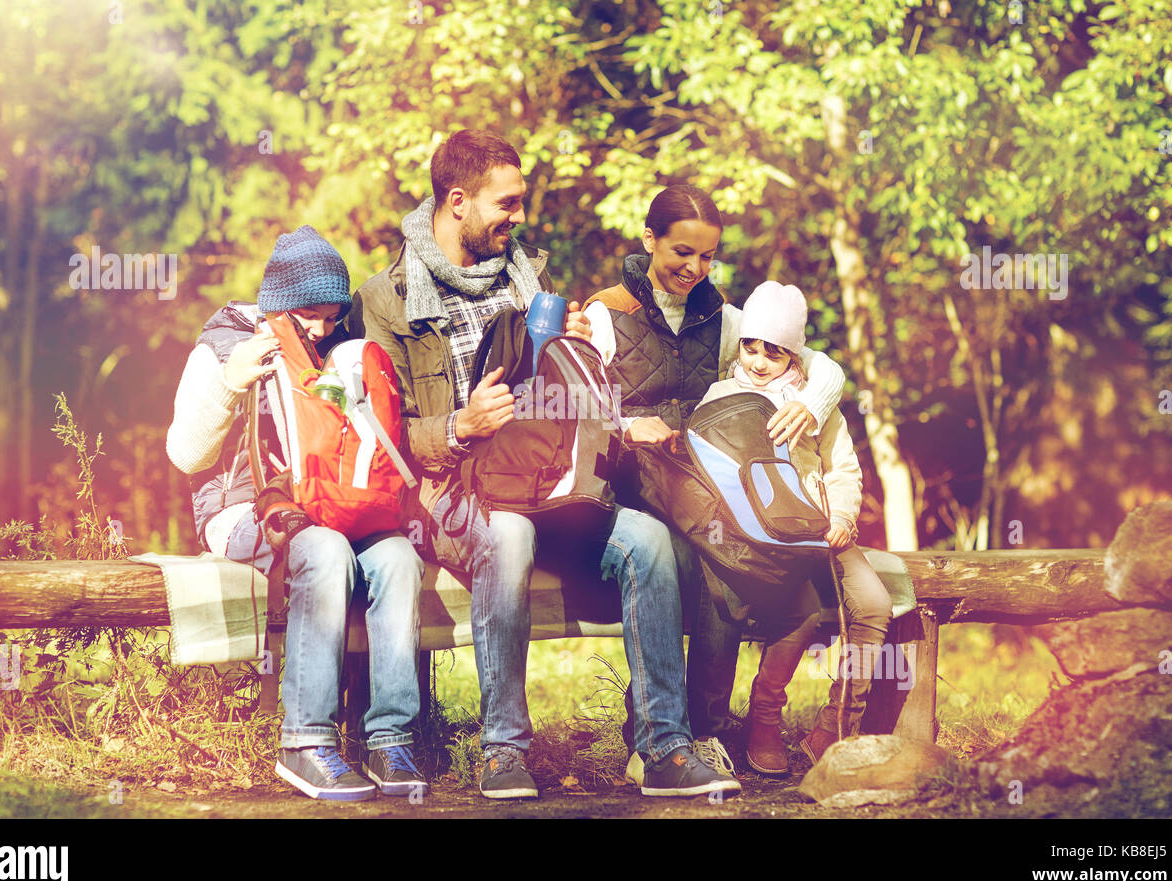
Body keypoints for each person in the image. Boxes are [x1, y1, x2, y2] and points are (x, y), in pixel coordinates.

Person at [357, 129, 739, 799]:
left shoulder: (527, 278)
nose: (522, 217)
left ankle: (664, 747)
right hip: (454, 492)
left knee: (647, 541)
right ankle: (503, 748)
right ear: (457, 201)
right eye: (508, 203)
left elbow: (565, 395)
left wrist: (579, 350)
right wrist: (459, 424)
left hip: (546, 478)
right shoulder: (388, 300)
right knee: (508, 534)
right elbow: (381, 434)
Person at [583, 186, 846, 775]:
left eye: (707, 257)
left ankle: (701, 729)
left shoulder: (722, 318)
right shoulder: (604, 312)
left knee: (726, 574)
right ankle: (656, 734)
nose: (694, 269)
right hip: (632, 492)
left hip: (705, 490)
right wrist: (628, 424)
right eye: (682, 252)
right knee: (691, 564)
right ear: (648, 240)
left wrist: (819, 398)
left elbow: (816, 360)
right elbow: (574, 403)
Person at [166, 225, 427, 801]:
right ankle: (306, 742)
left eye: (334, 314)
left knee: (399, 559)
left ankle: (389, 737)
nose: (322, 328)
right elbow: (186, 455)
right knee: (324, 551)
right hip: (239, 510)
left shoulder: (341, 348)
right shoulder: (225, 343)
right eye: (310, 314)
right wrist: (232, 386)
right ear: (278, 304)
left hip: (334, 505)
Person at [697, 280, 892, 772]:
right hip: (758, 537)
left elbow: (841, 468)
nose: (759, 361)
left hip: (821, 529)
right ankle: (764, 720)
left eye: (775, 352)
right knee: (800, 610)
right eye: (751, 347)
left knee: (874, 604)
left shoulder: (814, 402)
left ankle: (838, 723)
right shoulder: (722, 394)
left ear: (794, 352)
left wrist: (844, 517)